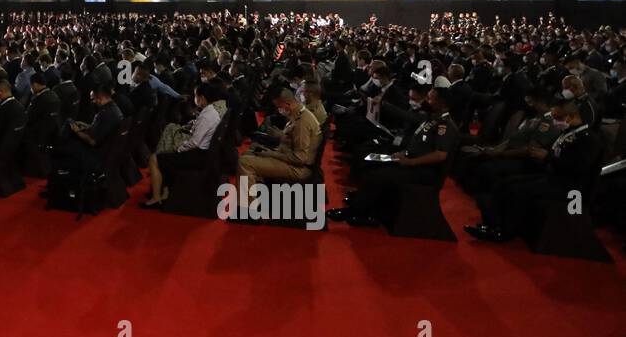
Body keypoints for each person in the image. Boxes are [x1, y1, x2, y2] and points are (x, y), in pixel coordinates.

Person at [464, 99, 603, 243]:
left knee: (518, 190)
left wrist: (547, 157)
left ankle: (504, 231)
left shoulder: (588, 139)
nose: (556, 121)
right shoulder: (568, 132)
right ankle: (492, 224)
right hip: (553, 177)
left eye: (560, 117)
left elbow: (578, 168)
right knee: (506, 183)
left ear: (572, 116)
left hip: (570, 186)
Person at [328, 86, 459, 227]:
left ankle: (359, 212)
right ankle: (364, 199)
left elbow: (440, 155)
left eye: (430, 98)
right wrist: (403, 154)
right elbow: (419, 145)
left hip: (423, 171)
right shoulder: (432, 119)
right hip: (408, 159)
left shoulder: (445, 125)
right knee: (372, 159)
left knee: (379, 175)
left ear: (442, 102)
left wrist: (411, 162)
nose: (427, 101)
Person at [145, 84, 222, 208]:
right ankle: (165, 192)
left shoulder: (207, 115)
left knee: (154, 158)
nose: (194, 98)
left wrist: (179, 149)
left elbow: (195, 142)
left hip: (198, 156)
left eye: (195, 95)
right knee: (166, 155)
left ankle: (156, 197)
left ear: (202, 97)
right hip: (204, 154)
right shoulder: (212, 111)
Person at [237, 87, 321, 188]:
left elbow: (299, 159)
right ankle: (260, 188)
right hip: (290, 158)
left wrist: (271, 154)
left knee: (245, 163)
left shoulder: (302, 122)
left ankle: (246, 203)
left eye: (279, 107)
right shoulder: (298, 114)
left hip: (299, 169)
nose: (278, 110)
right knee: (251, 151)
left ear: (288, 104)